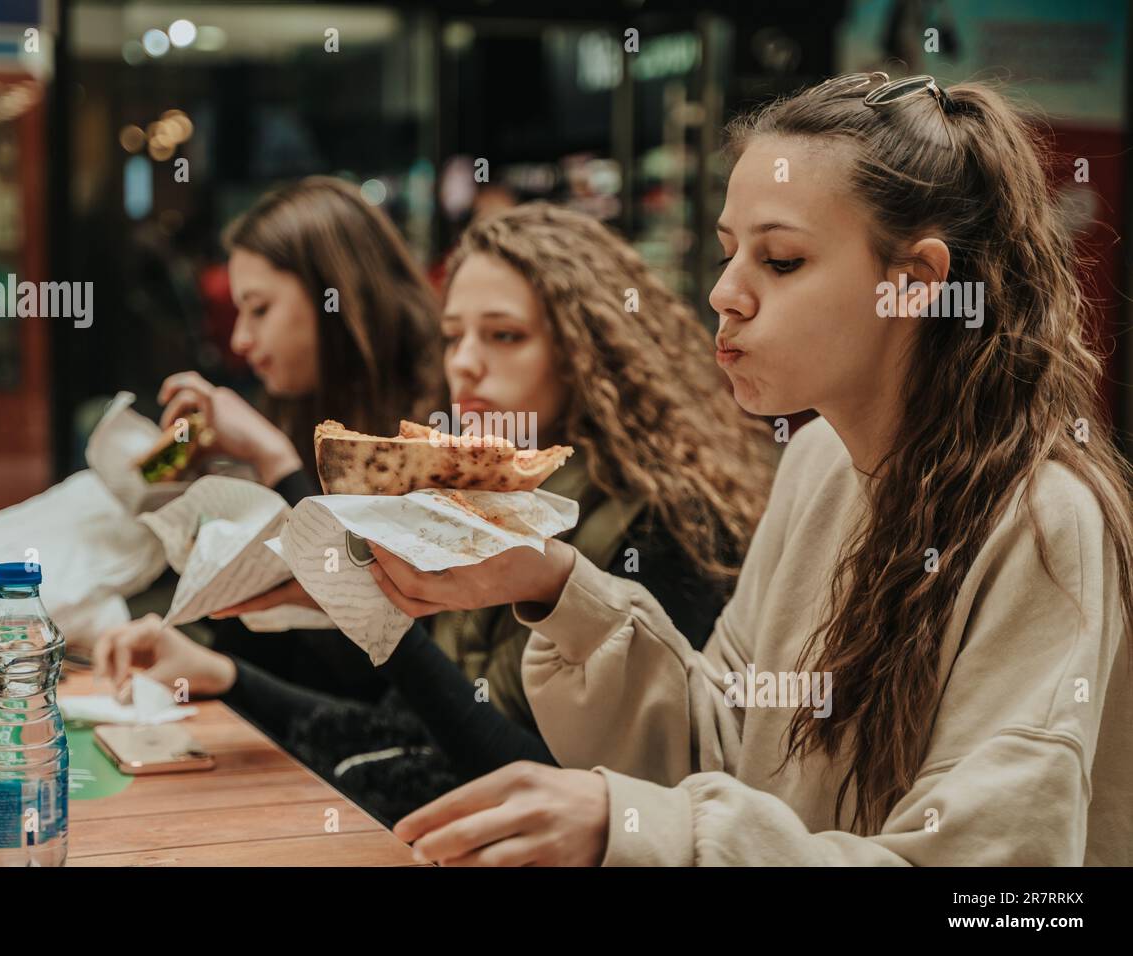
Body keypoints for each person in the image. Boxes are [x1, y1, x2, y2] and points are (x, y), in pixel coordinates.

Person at [367, 74, 1133, 865]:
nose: (724, 294)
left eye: (783, 260)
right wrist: (553, 583)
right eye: (731, 253)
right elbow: (729, 740)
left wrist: (635, 825)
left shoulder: (1046, 526)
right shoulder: (817, 460)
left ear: (914, 285)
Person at [95, 203, 777, 823]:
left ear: (586, 351)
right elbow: (408, 734)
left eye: (504, 336)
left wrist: (371, 609)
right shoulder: (473, 491)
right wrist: (229, 676)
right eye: (454, 337)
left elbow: (538, 788)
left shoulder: (667, 526)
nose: (466, 366)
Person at [147, 175, 444, 698]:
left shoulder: (435, 433)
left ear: (337, 294)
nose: (241, 339)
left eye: (260, 309)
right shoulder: (307, 408)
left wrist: (274, 460)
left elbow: (373, 661)